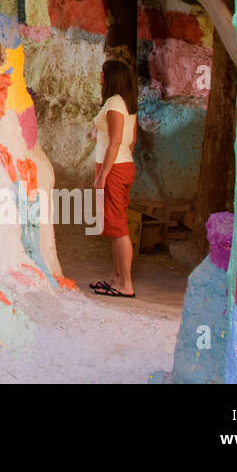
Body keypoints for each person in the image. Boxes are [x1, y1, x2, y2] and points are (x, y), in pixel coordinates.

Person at [87, 59, 138, 298]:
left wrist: (103, 175)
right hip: (122, 164)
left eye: (102, 74)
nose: (99, 77)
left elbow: (116, 142)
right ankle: (115, 277)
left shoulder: (114, 102)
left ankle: (126, 284)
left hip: (113, 168)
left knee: (118, 228)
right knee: (113, 223)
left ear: (111, 78)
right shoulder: (125, 103)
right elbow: (131, 141)